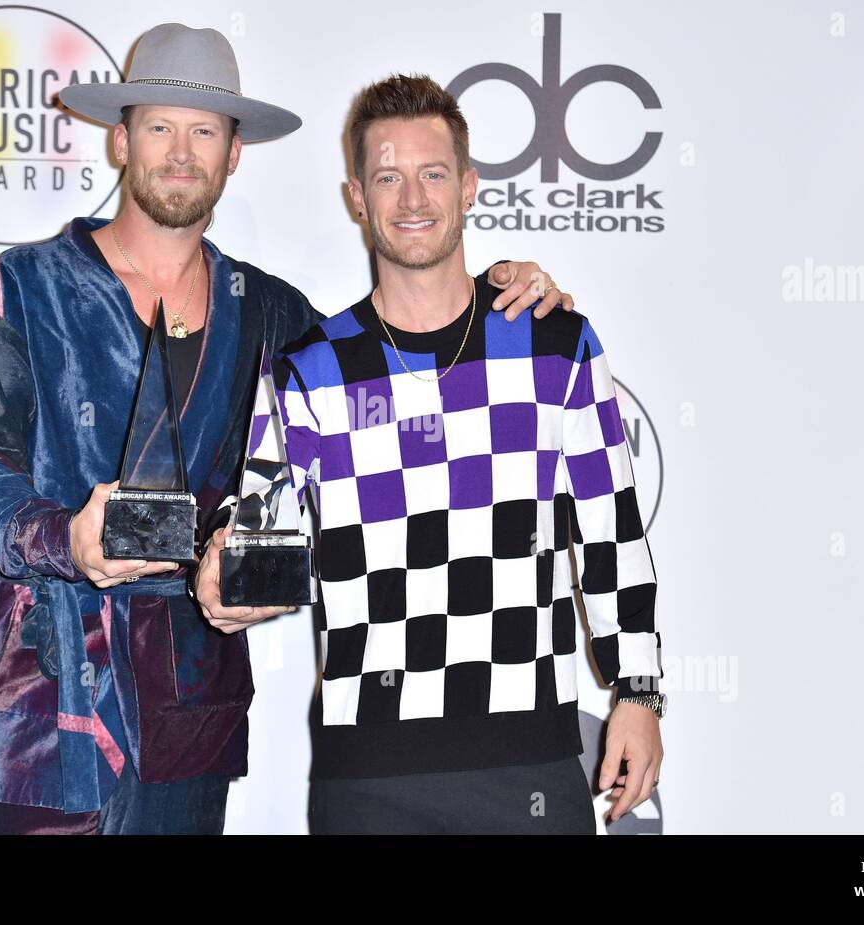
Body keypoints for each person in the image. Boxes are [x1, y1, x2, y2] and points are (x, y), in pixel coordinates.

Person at [0, 24, 574, 834]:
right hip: (31, 707)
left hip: (188, 714)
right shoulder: (19, 287)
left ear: (233, 154)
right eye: (160, 127)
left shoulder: (274, 315)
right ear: (121, 139)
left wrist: (499, 299)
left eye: (204, 132)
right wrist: (67, 537)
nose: (180, 151)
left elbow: (398, 375)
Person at [196, 74, 666, 834]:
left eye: (433, 174)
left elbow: (612, 528)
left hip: (531, 763)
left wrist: (638, 691)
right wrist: (227, 569)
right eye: (388, 176)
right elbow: (256, 533)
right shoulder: (310, 369)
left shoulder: (555, 345)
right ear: (357, 197)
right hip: (368, 776)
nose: (412, 198)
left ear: (470, 186)